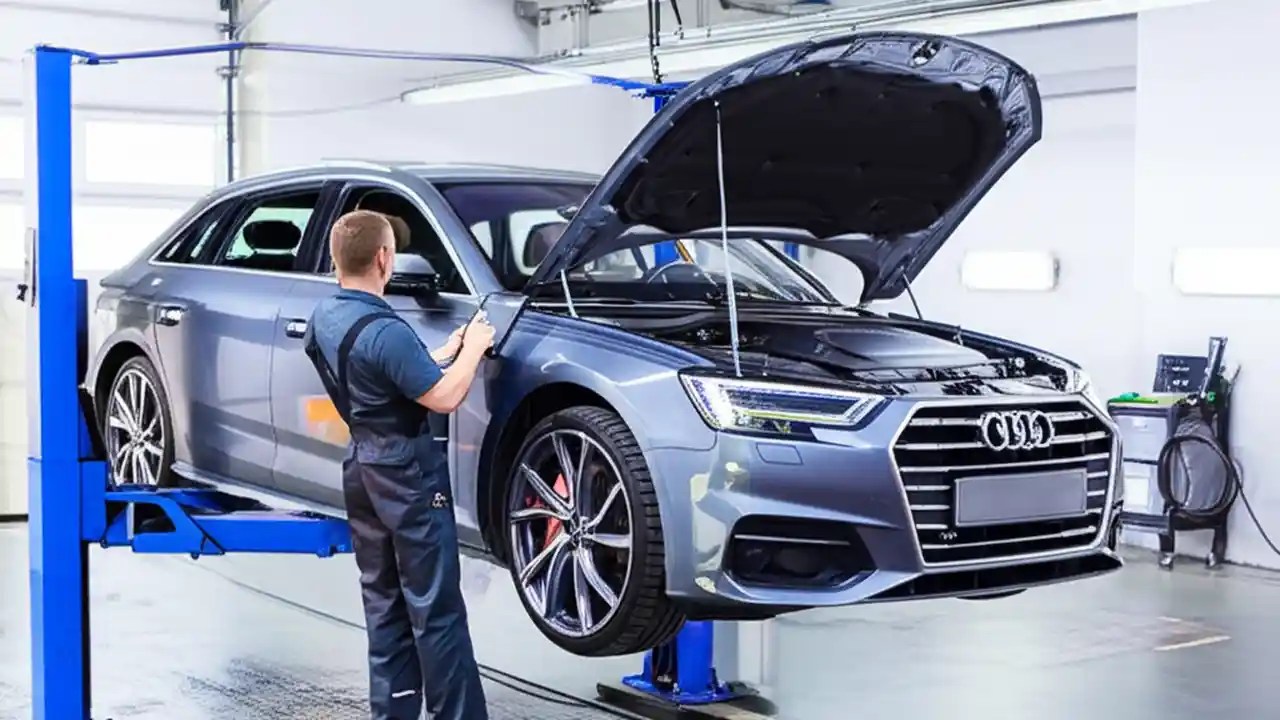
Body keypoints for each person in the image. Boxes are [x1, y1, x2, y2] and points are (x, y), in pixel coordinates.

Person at [303, 209, 493, 720]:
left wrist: (439, 351)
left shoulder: (327, 316)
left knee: (383, 604)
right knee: (436, 610)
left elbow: (373, 367)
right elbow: (446, 398)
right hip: (407, 474)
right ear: (385, 258)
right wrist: (472, 351)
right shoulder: (386, 329)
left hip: (362, 466)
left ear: (336, 260)